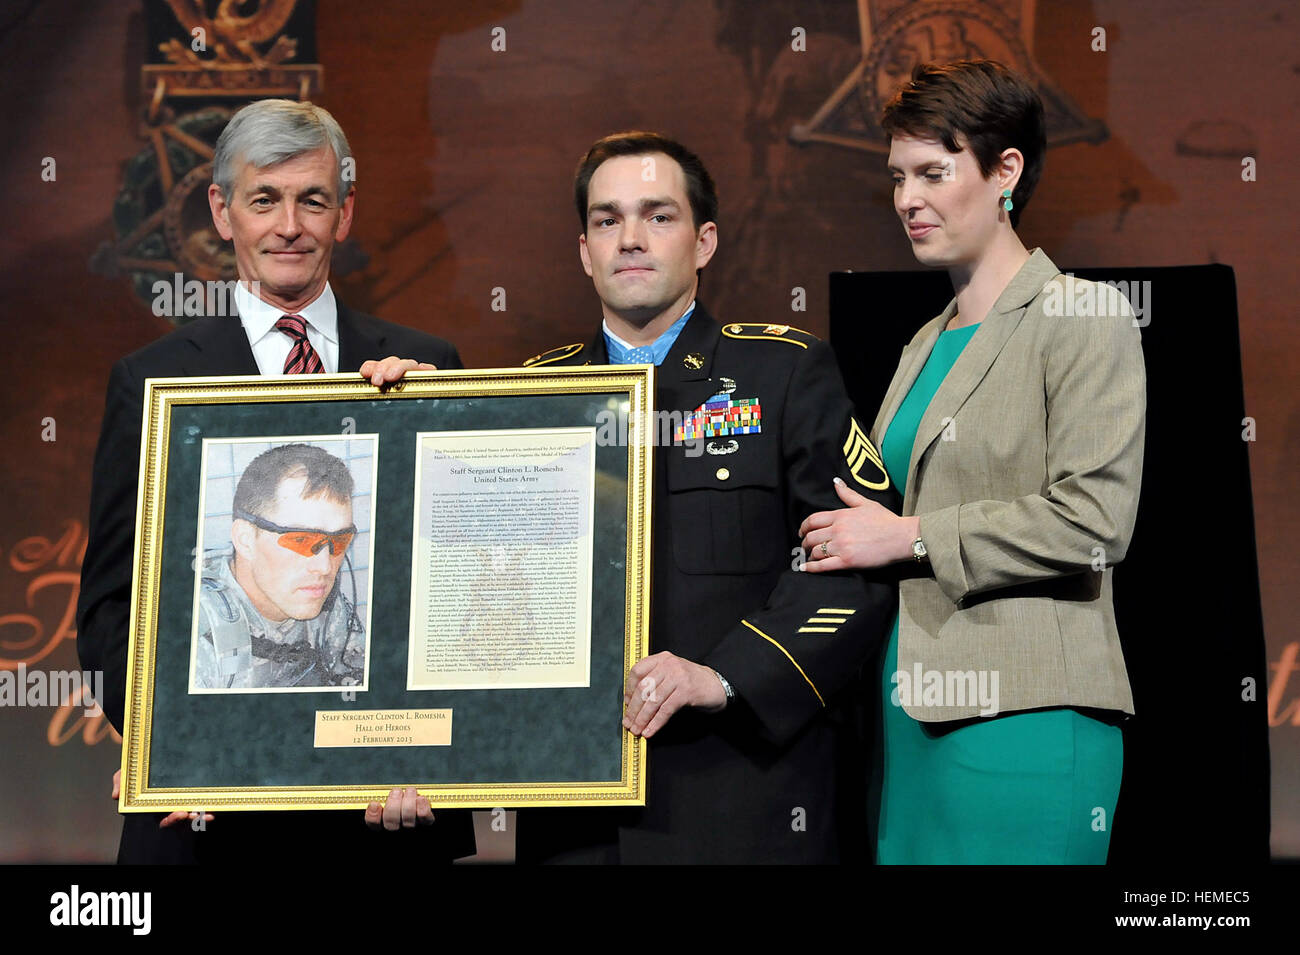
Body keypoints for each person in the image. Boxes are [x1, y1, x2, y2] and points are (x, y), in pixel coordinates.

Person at [77, 98, 473, 863]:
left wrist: (439, 423)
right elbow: (106, 610)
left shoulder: (425, 370)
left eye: (312, 199)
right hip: (209, 817)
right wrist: (176, 746)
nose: (289, 225)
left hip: (381, 812)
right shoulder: (154, 382)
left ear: (345, 213)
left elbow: (458, 594)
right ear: (223, 212)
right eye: (265, 199)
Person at [515, 132, 898, 864]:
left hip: (741, 798)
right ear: (583, 249)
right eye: (606, 220)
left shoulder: (785, 372)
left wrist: (724, 675)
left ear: (705, 241)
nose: (629, 238)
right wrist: (404, 413)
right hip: (573, 818)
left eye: (658, 216)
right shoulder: (533, 393)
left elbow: (857, 570)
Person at [798, 60, 1146, 864]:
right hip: (909, 719)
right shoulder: (925, 341)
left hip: (1023, 717)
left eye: (932, 172)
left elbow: (1094, 519)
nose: (906, 199)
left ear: (1006, 171)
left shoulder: (1082, 315)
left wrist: (908, 536)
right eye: (896, 177)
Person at [194, 443, 365, 690]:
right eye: (301, 540)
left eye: (339, 541)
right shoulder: (195, 634)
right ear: (245, 540)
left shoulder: (326, 604)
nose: (324, 567)